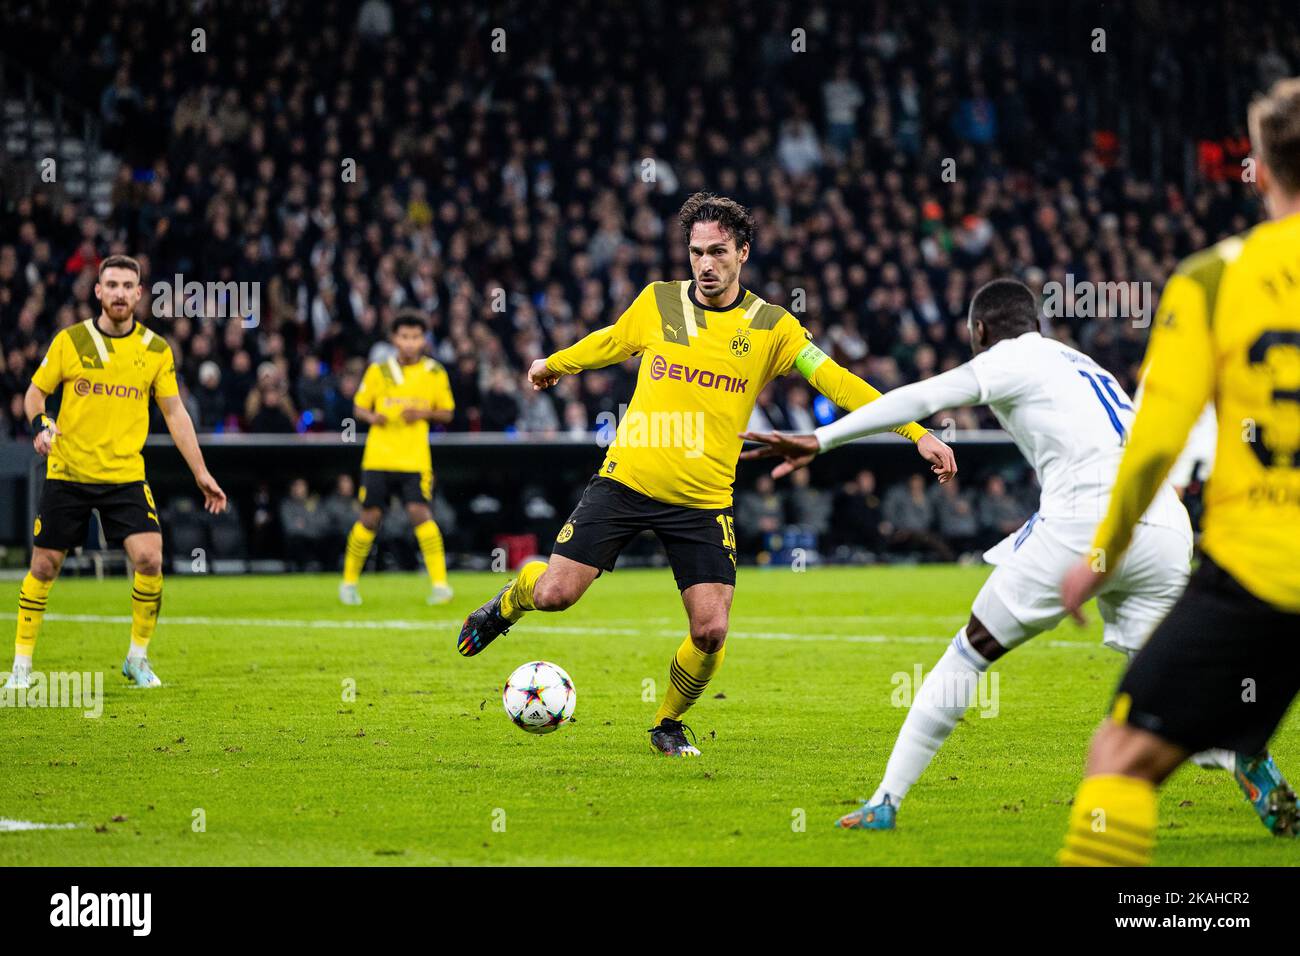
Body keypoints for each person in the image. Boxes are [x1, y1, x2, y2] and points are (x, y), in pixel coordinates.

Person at [742, 277, 1289, 833]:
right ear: (1039, 323)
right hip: (1163, 526)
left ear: (981, 330)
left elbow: (922, 396)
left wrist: (822, 438)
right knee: (1169, 697)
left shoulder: (1009, 358)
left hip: (1088, 518)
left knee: (970, 651)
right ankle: (1243, 751)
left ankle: (886, 800)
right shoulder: (1086, 365)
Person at [456, 192, 956, 757]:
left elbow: (838, 382)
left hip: (702, 502)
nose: (705, 264)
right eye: (696, 252)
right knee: (553, 596)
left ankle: (666, 724)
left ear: (743, 252)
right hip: (625, 482)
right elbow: (612, 341)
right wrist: (555, 363)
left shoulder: (773, 327)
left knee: (711, 631)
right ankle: (509, 601)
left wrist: (919, 434)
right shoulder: (659, 302)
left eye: (718, 251)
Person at [1058, 77, 1300, 865]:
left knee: (1122, 757)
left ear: (1258, 171)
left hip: (1262, 570)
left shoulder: (1212, 278)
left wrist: (1099, 557)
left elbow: (1153, 444)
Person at [6, 255, 227, 690]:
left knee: (149, 558)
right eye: (113, 285)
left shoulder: (155, 350)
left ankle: (137, 658)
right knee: (45, 567)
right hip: (68, 472)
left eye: (129, 285)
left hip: (125, 475)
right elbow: (34, 394)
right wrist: (40, 425)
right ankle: (21, 666)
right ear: (99, 292)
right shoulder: (71, 342)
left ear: (139, 294)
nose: (121, 293)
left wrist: (200, 471)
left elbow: (175, 412)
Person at [339, 309, 456, 606]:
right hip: (378, 457)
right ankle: (349, 583)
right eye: (404, 336)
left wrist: (423, 413)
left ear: (423, 339)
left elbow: (448, 412)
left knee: (420, 515)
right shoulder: (380, 370)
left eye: (416, 337)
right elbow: (358, 407)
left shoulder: (434, 372)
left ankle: (441, 585)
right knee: (370, 518)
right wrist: (372, 416)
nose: (410, 342)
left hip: (415, 460)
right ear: (394, 338)